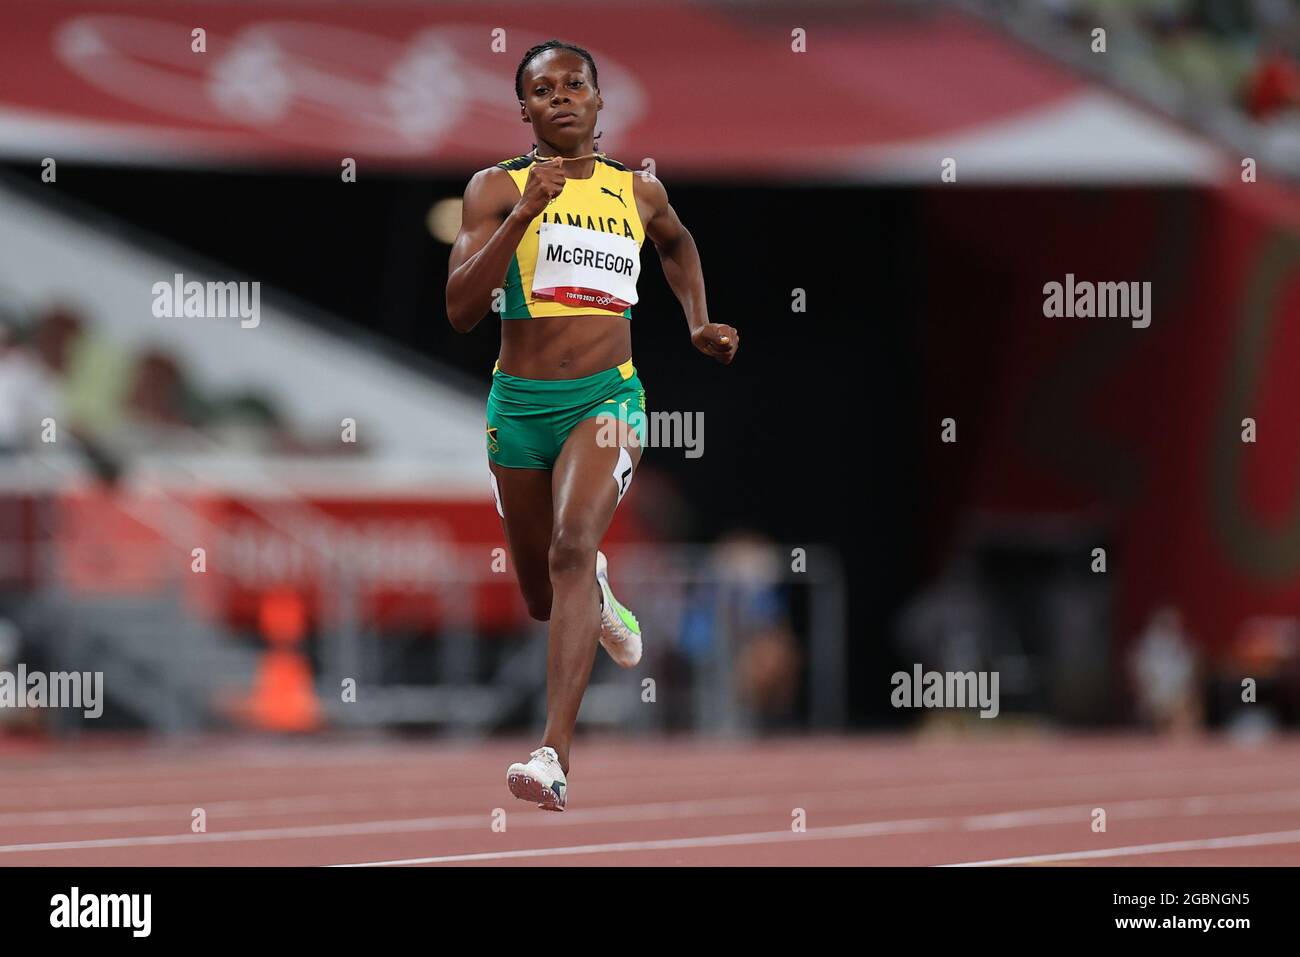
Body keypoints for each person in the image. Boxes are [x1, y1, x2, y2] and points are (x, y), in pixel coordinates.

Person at [445, 39, 738, 810]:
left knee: (574, 545)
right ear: (526, 110)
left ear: (602, 99)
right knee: (545, 595)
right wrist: (524, 214)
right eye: (544, 90)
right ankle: (598, 597)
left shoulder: (638, 191)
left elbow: (678, 244)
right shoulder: (492, 189)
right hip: (519, 407)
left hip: (607, 401)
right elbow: (460, 308)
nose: (562, 97)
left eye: (577, 84)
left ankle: (552, 754)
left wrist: (697, 321)